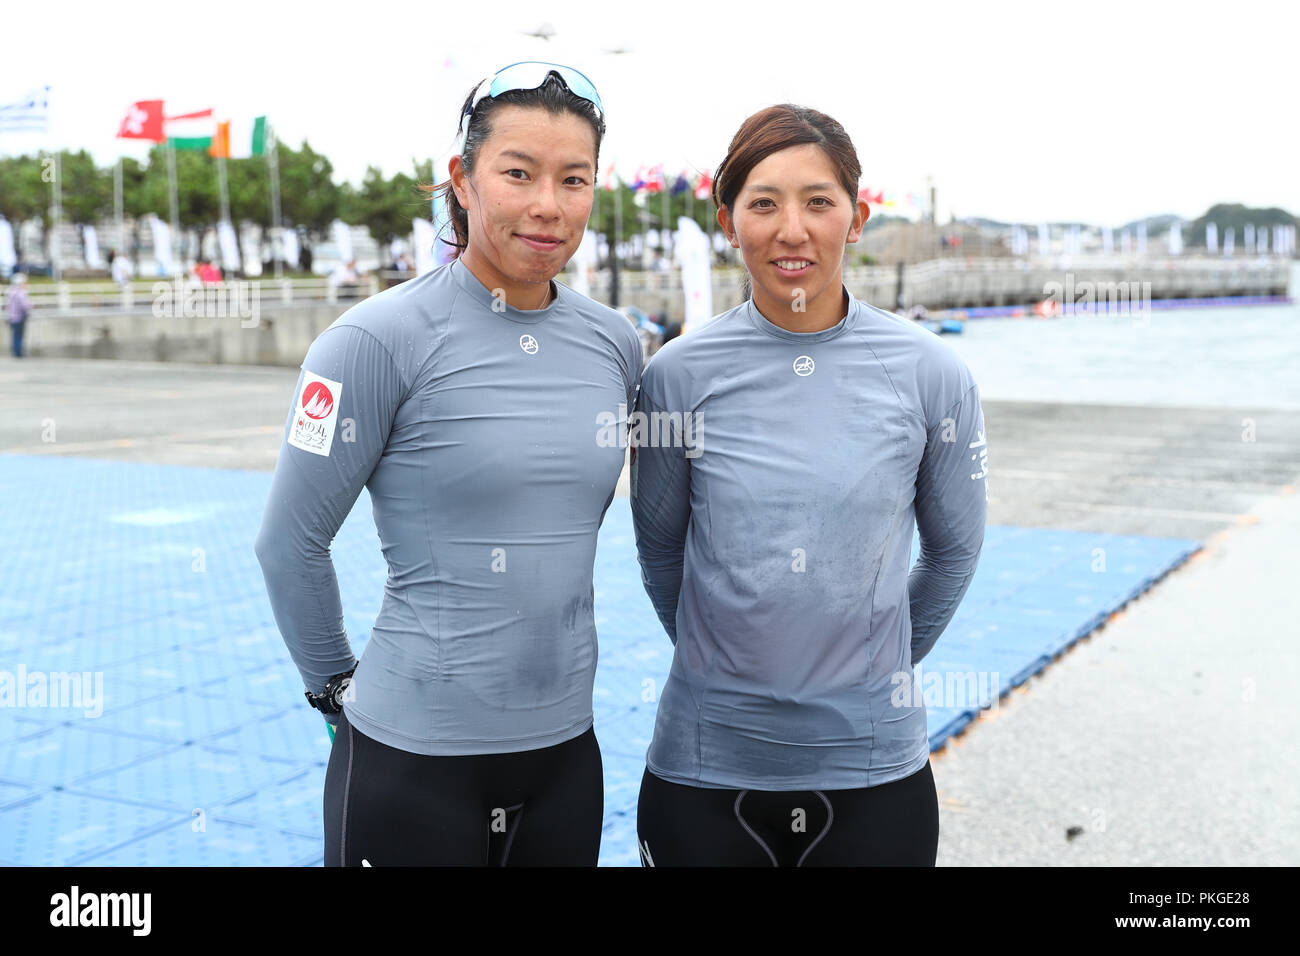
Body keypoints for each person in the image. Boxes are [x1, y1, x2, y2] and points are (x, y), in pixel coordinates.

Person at [254, 61, 640, 867]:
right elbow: (288, 545)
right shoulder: (369, 343)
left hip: (567, 757)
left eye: (575, 179)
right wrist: (334, 694)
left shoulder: (614, 346)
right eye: (518, 173)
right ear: (461, 181)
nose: (548, 205)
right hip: (411, 767)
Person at [631, 104, 989, 866]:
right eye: (764, 203)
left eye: (818, 202)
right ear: (730, 221)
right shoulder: (676, 377)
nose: (791, 229)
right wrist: (729, 668)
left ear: (856, 218)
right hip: (704, 770)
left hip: (873, 772)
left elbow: (954, 554)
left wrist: (872, 668)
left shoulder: (931, 374)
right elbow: (661, 554)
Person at [6, 273, 31, 358]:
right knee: (19, 335)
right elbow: (24, 305)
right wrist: (28, 311)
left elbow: (8, 306)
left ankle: (16, 352)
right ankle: (19, 353)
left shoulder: (10, 292)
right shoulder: (20, 293)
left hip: (12, 317)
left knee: (15, 335)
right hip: (20, 317)